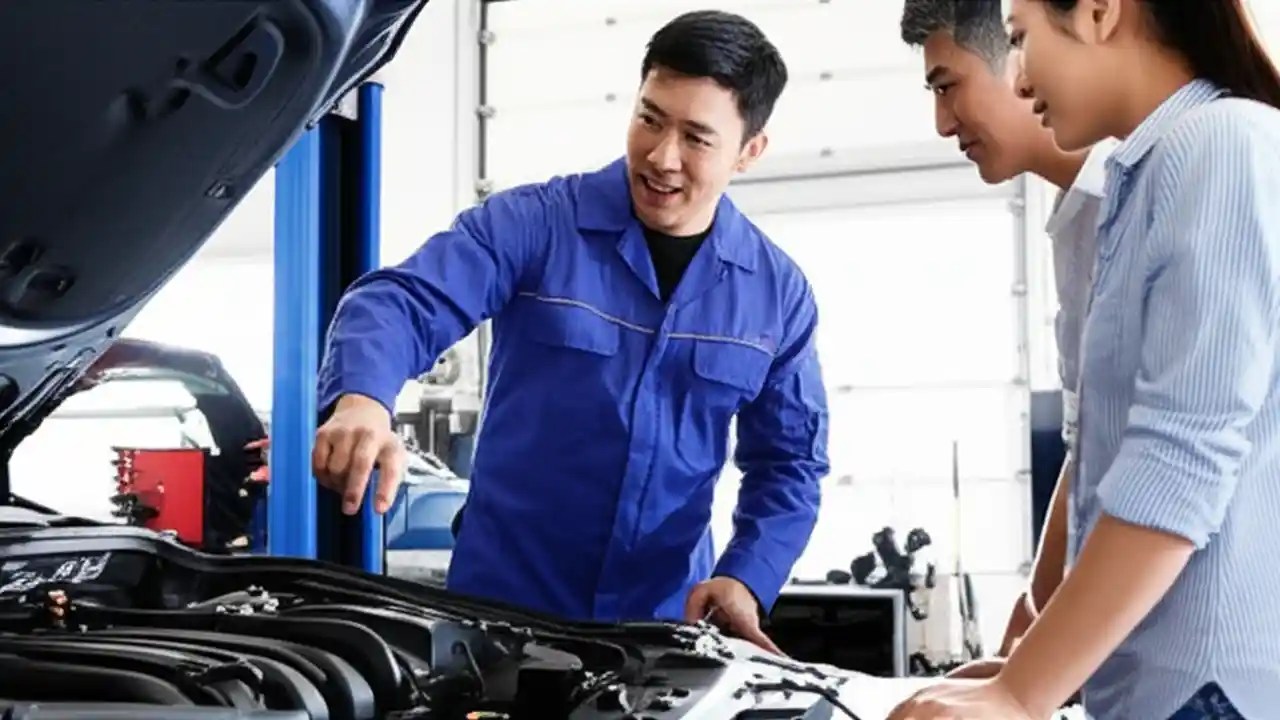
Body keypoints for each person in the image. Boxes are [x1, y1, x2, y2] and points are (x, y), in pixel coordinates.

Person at [310, 9, 829, 652]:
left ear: (749, 151)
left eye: (697, 137)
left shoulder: (777, 296)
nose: (662, 156)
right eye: (650, 118)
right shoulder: (535, 225)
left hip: (664, 632)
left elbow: (790, 465)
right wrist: (363, 397)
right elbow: (403, 298)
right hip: (497, 623)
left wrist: (747, 576)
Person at [889, 0, 1280, 718]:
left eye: (1020, 39)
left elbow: (1180, 458)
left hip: (1208, 685)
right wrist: (1032, 660)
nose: (1020, 74)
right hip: (1157, 685)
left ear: (1100, 11)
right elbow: (1102, 451)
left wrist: (1020, 691)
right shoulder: (1153, 168)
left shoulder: (1226, 142)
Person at [898, 0, 1117, 673]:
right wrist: (1027, 628)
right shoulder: (1077, 215)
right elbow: (1089, 446)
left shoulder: (1154, 186)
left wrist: (1034, 676)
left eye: (947, 85)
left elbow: (1173, 462)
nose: (941, 123)